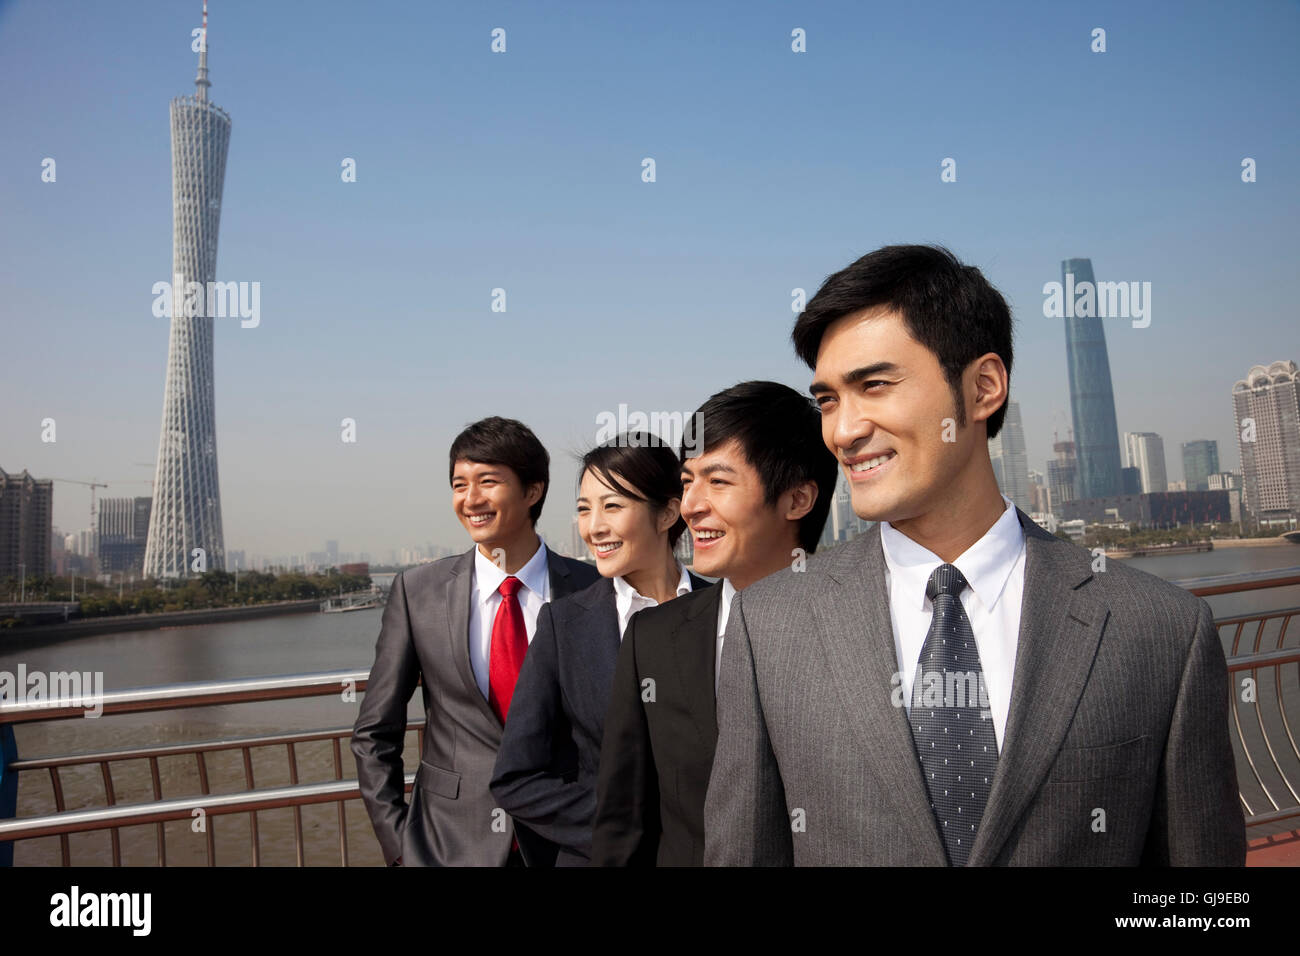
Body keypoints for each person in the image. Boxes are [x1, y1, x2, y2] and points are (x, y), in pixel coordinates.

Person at [704, 245, 1246, 866]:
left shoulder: (1160, 631)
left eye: (874, 385)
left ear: (983, 387)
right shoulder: (770, 625)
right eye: (828, 399)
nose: (843, 430)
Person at [591, 382, 837, 865]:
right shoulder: (653, 639)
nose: (691, 505)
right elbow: (624, 819)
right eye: (687, 482)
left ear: (797, 499)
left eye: (718, 482)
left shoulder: (862, 632)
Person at [351, 416, 600, 866]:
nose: (471, 500)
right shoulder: (418, 592)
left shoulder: (592, 587)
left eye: (487, 481)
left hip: (568, 843)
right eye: (459, 484)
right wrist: (401, 848)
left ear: (533, 491)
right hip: (449, 844)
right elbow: (375, 733)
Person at [490, 434, 709, 865]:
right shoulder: (564, 625)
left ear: (667, 511)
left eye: (612, 506)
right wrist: (626, 828)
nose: (593, 527)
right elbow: (516, 777)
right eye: (584, 509)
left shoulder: (725, 610)